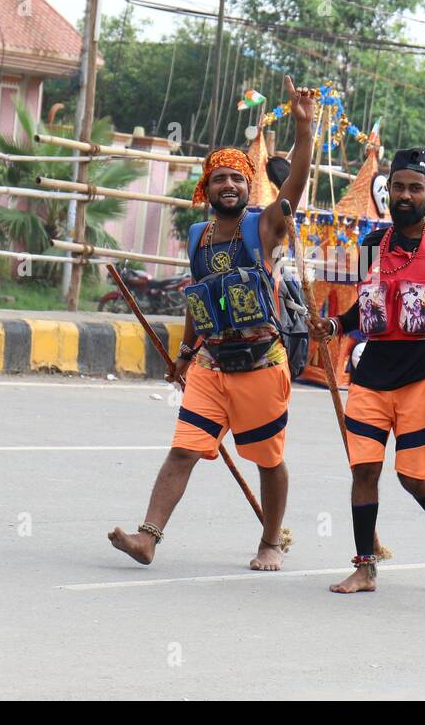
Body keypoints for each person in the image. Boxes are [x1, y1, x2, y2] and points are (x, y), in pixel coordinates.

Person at [109, 75, 316, 571]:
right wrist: (183, 353)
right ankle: (148, 537)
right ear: (207, 187)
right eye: (219, 178)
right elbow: (196, 299)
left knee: (267, 460)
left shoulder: (263, 226)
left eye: (237, 178)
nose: (229, 185)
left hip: (262, 364)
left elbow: (294, 187)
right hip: (210, 366)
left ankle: (270, 542)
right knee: (183, 450)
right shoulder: (199, 236)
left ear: (248, 187)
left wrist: (305, 132)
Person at [312, 146, 425, 593]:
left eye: (414, 187)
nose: (404, 195)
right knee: (364, 471)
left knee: (411, 476)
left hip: (421, 374)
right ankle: (365, 567)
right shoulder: (371, 245)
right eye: (398, 186)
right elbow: (360, 313)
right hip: (369, 375)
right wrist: (331, 325)